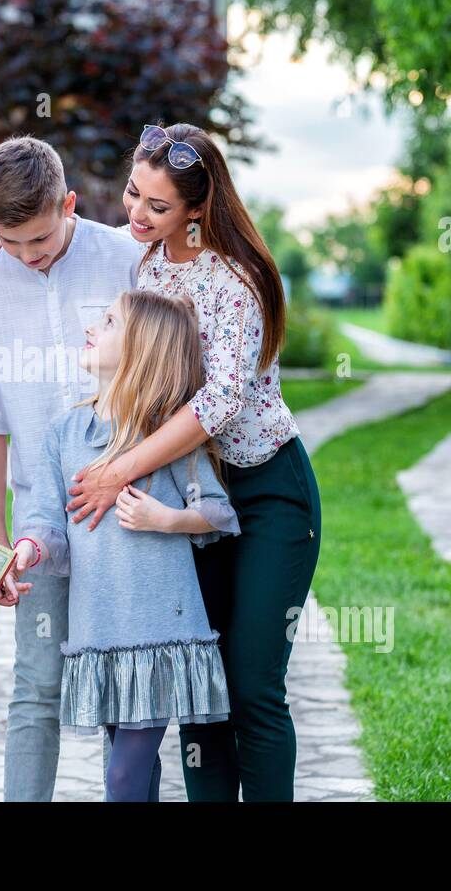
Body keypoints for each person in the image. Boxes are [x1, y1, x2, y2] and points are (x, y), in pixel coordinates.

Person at [66, 122, 322, 802]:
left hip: (266, 491)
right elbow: (72, 237)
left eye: (157, 206)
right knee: (201, 687)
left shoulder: (234, 283)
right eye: (132, 194)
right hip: (186, 496)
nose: (136, 214)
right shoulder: (147, 264)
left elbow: (221, 401)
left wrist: (119, 470)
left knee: (252, 685)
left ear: (198, 210)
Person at [0, 135, 144, 801]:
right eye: (10, 242)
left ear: (68, 204)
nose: (27, 257)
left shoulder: (125, 261)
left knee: (127, 694)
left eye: (39, 240)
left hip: (127, 516)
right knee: (36, 688)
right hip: (42, 525)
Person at [5, 289, 240, 802]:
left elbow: (220, 514)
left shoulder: (168, 436)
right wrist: (25, 550)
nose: (92, 328)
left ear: (141, 349)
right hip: (100, 634)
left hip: (158, 635)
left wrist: (166, 518)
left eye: (108, 322)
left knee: (122, 778)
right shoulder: (65, 433)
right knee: (136, 774)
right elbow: (47, 522)